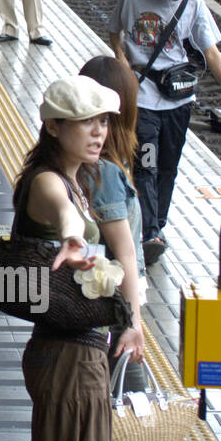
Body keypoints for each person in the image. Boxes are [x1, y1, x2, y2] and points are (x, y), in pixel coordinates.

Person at [106, 0, 221, 265]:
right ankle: (150, 233)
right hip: (143, 98)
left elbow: (210, 51)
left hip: (178, 99)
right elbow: (115, 31)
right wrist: (122, 59)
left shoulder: (193, 4)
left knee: (167, 167)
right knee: (146, 165)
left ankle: (157, 225)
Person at [13, 75, 121, 441]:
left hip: (74, 349)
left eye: (104, 121)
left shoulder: (75, 179)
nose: (99, 132)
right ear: (54, 126)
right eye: (86, 121)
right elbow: (63, 212)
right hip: (69, 355)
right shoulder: (47, 182)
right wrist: (72, 234)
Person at [77, 55, 148, 390]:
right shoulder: (104, 170)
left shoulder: (95, 163)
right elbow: (125, 254)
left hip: (103, 310)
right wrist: (134, 322)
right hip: (113, 315)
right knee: (129, 409)